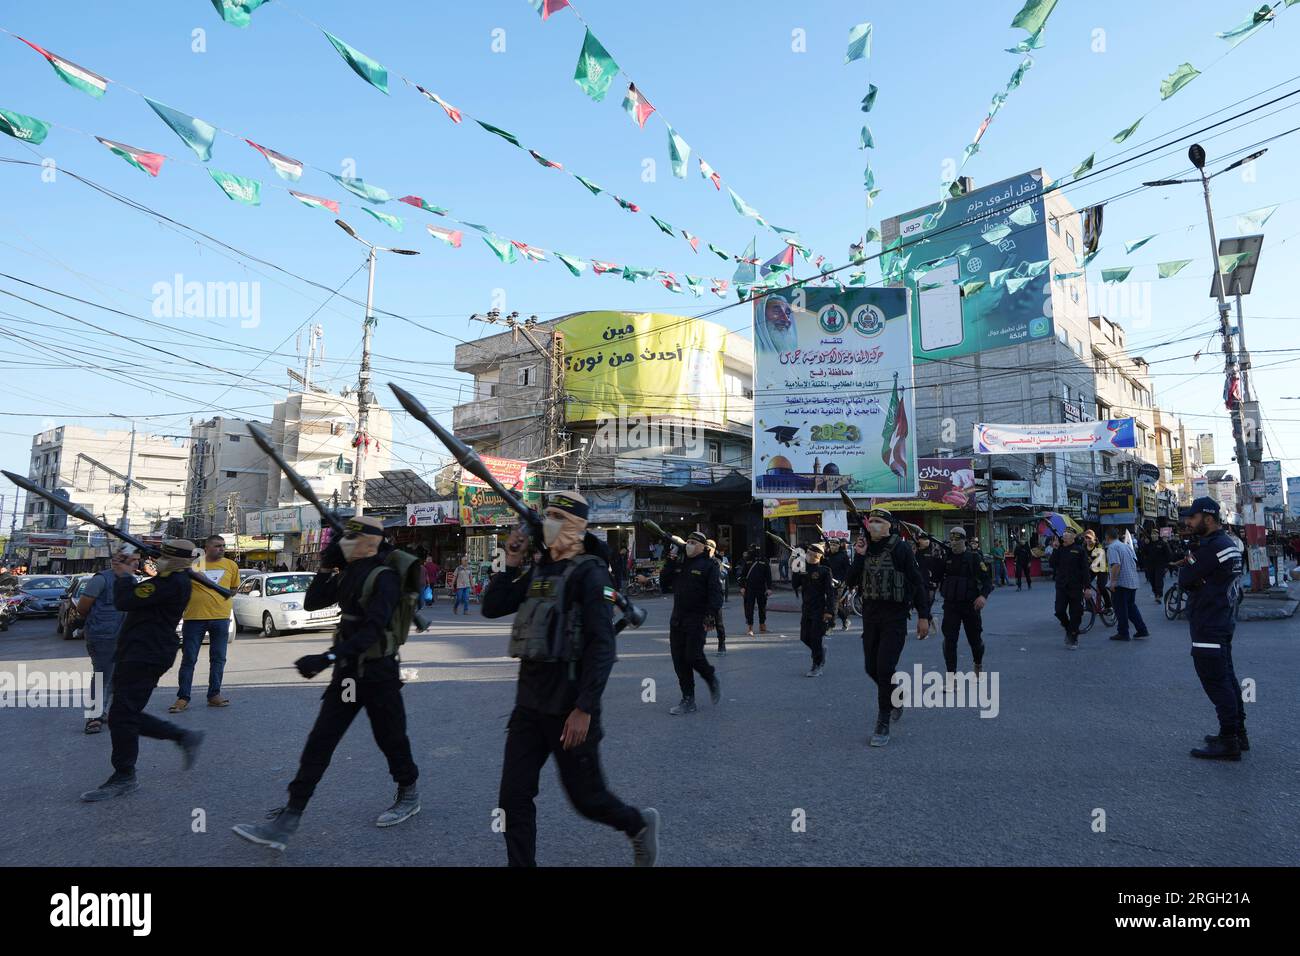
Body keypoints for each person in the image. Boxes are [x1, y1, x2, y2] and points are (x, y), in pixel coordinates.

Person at [482, 491, 659, 866]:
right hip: (528, 707)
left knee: (588, 800)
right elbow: (493, 607)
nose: (549, 522)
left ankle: (637, 825)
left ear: (576, 527)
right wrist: (511, 562)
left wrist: (584, 708)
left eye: (558, 516)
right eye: (546, 515)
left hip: (568, 709)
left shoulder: (589, 574)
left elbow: (602, 647)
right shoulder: (540, 568)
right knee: (512, 799)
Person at [232, 516, 421, 852]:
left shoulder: (385, 577)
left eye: (351, 536)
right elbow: (313, 602)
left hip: (378, 673)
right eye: (342, 536)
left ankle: (409, 792)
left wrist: (328, 657)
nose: (344, 541)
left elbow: (372, 630)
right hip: (348, 675)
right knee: (321, 741)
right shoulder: (349, 572)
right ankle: (290, 816)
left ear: (370, 542)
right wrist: (325, 565)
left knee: (390, 738)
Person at [80, 540, 204, 802]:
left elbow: (125, 600)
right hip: (139, 651)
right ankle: (180, 737)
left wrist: (124, 575)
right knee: (122, 714)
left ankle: (126, 775)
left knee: (123, 714)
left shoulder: (170, 583)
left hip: (146, 654)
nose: (155, 560)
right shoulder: (169, 580)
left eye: (161, 557)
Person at [846, 508, 930, 748]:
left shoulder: (900, 548)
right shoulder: (866, 549)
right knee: (870, 667)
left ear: (889, 526)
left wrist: (923, 616)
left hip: (895, 617)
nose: (872, 525)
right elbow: (851, 581)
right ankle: (896, 694)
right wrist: (859, 556)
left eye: (878, 521)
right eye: (870, 521)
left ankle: (882, 721)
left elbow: (917, 582)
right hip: (871, 616)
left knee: (884, 667)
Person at [1176, 499, 1247, 760]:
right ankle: (1238, 733)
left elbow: (1185, 578)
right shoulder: (1228, 544)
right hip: (1222, 620)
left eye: (1192, 518)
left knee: (1216, 682)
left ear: (1208, 518)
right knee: (1226, 678)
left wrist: (1193, 572)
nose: (1188, 523)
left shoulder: (1211, 547)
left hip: (1209, 623)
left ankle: (1229, 742)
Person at [171, 535, 241, 712]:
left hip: (221, 618)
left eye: (223, 546)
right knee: (189, 659)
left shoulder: (230, 565)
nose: (222, 548)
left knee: (218, 658)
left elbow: (233, 589)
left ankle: (214, 695)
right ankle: (183, 697)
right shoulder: (197, 563)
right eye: (217, 546)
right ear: (207, 547)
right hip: (194, 618)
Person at [659, 531, 722, 716]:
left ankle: (710, 677)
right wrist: (670, 561)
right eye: (687, 542)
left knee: (693, 656)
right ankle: (688, 699)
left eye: (693, 542)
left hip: (697, 618)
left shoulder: (710, 565)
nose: (689, 545)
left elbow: (716, 593)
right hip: (677, 618)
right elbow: (664, 583)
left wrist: (711, 615)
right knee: (679, 660)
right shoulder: (680, 562)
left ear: (703, 546)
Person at [74, 547, 136, 734]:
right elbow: (83, 607)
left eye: (137, 560)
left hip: (123, 636)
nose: (136, 564)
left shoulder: (131, 580)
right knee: (102, 676)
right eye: (131, 560)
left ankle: (102, 712)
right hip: (102, 636)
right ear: (119, 561)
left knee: (116, 676)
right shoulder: (101, 579)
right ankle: (93, 717)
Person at [935, 527, 993, 678]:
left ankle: (978, 663)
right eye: (952, 540)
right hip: (950, 605)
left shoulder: (974, 558)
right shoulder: (946, 558)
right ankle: (951, 675)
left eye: (957, 540)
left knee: (975, 640)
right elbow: (935, 578)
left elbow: (987, 581)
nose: (954, 543)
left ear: (964, 541)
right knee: (949, 641)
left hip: (970, 606)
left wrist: (983, 597)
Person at [1049, 529, 1093, 649]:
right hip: (1062, 586)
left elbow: (1085, 570)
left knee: (1075, 614)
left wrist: (1087, 587)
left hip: (1076, 587)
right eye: (1064, 536)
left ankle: (1073, 638)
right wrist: (1055, 548)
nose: (1064, 538)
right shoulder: (1060, 549)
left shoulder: (1079, 550)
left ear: (1073, 537)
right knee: (1059, 611)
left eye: (1067, 536)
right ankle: (1069, 628)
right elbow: (1052, 564)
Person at [1105, 527, 1150, 642]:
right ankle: (1142, 630)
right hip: (1132, 581)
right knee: (1131, 608)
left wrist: (1113, 581)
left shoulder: (1112, 547)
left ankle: (1123, 633)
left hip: (1121, 583)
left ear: (1107, 537)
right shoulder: (1126, 546)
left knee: (1120, 609)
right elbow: (1135, 561)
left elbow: (1116, 565)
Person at [798, 542, 835, 677]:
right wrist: (795, 564)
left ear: (819, 556)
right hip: (806, 608)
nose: (809, 556)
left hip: (819, 609)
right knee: (804, 637)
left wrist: (829, 611)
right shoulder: (803, 569)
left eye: (812, 554)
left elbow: (830, 593)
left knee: (815, 637)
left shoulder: (824, 571)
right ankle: (819, 651)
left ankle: (817, 664)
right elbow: (795, 584)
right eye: (808, 553)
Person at [740, 546, 771, 636]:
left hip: (761, 588)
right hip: (750, 588)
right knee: (749, 608)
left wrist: (769, 588)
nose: (754, 552)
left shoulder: (764, 560)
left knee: (762, 607)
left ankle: (762, 625)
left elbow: (768, 575)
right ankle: (750, 627)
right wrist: (742, 587)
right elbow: (743, 575)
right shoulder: (747, 560)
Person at [704, 539, 729, 654]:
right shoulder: (700, 561)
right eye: (706, 547)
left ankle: (722, 645)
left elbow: (723, 574)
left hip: (715, 596)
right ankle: (699, 644)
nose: (707, 549)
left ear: (714, 550)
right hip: (702, 596)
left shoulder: (717, 562)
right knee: (701, 622)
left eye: (710, 548)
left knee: (719, 623)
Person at [825, 538, 852, 631]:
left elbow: (848, 570)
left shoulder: (843, 556)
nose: (833, 547)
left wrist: (843, 582)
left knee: (834, 603)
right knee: (835, 604)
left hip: (839, 584)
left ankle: (831, 625)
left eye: (835, 545)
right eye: (831, 545)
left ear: (839, 546)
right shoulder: (827, 555)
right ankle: (845, 619)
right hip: (828, 582)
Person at [1082, 530, 1112, 612]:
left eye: (1090, 538)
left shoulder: (1099, 546)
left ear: (1094, 538)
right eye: (1086, 538)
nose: (1088, 540)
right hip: (1092, 568)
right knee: (1085, 584)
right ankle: (1090, 605)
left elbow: (1097, 562)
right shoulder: (1083, 547)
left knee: (1101, 586)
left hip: (1101, 568)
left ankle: (1109, 606)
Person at [1141, 530, 1172, 604]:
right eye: (1152, 534)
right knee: (1152, 580)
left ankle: (1159, 595)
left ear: (1158, 535)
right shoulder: (1149, 543)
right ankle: (1155, 593)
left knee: (1158, 580)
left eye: (1155, 534)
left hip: (1160, 565)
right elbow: (1143, 553)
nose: (1153, 535)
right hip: (1150, 565)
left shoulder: (1163, 544)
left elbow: (1169, 554)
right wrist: (1145, 544)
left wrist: (1167, 565)